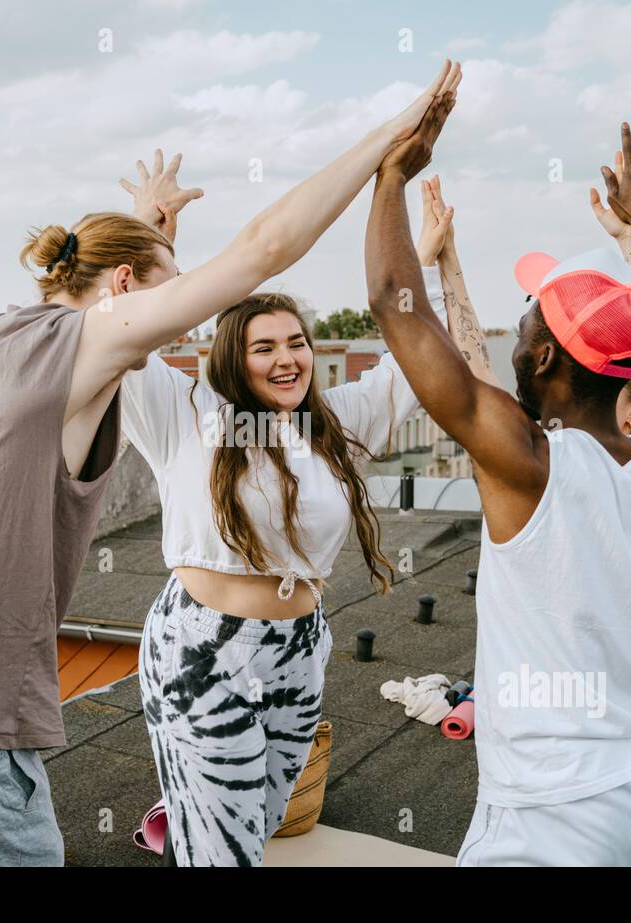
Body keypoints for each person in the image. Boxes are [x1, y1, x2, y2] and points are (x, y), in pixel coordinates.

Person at [0, 59, 461, 867]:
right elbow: (262, 250)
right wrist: (387, 140)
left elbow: (113, 318)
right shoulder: (102, 361)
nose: (174, 326)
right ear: (119, 288)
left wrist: (145, 233)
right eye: (164, 292)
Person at [122, 67, 463, 868]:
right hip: (202, 649)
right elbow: (125, 326)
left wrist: (426, 261)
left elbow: (418, 362)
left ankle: (192, 825)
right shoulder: (186, 415)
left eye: (297, 343)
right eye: (263, 347)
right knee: (226, 854)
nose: (286, 360)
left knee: (263, 825)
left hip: (299, 647)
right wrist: (149, 233)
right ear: (232, 360)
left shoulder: (338, 423)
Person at [366, 103, 631, 866]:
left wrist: (391, 170)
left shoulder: (528, 466)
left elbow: (397, 301)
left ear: (548, 359)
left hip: (552, 817)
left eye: (526, 326)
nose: (515, 337)